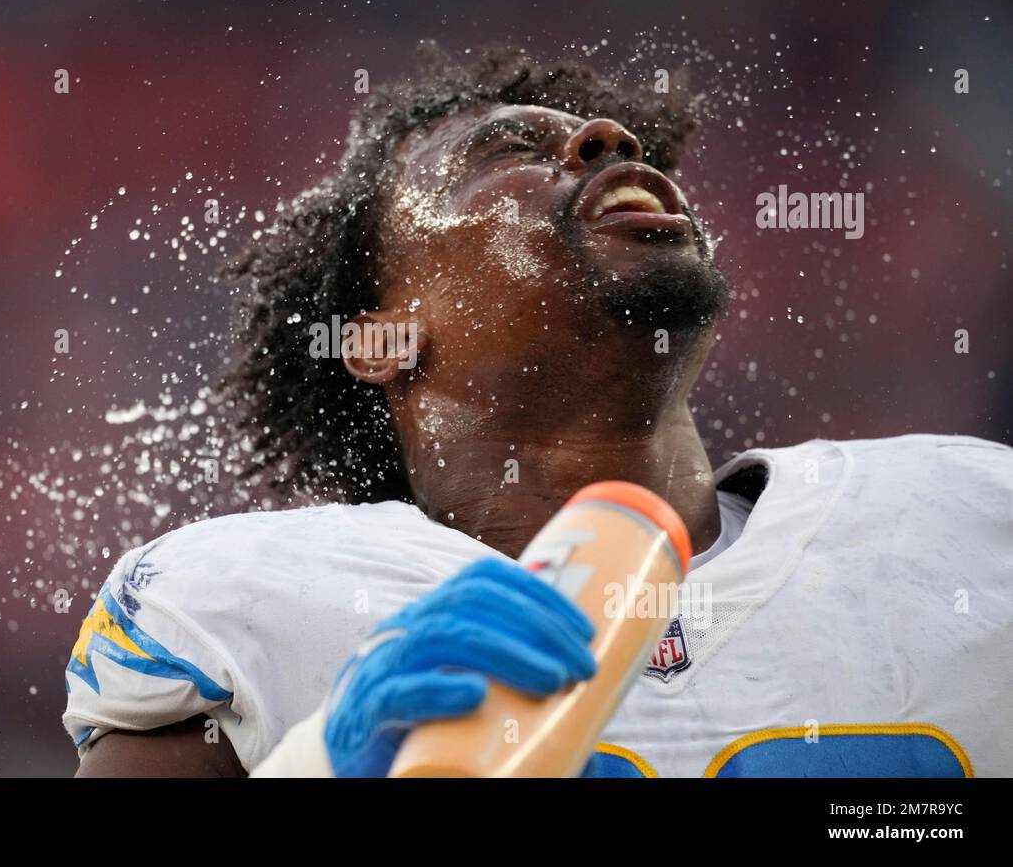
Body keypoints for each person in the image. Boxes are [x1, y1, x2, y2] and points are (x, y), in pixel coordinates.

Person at [63, 45, 1012, 777]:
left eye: (620, 139)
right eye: (507, 150)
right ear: (379, 337)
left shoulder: (971, 518)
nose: (608, 140)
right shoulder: (256, 603)